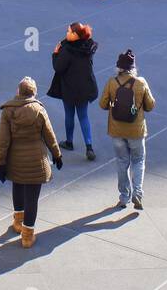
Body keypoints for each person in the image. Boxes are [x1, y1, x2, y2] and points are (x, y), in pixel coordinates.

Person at [0, 76, 62, 248]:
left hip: (15, 158)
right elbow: (49, 135)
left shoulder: (8, 110)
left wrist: (1, 162)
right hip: (36, 159)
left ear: (18, 91)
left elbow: (3, 140)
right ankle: (27, 236)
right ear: (33, 93)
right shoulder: (39, 110)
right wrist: (57, 154)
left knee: (17, 186)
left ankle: (18, 221)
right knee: (32, 198)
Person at [99, 49, 156, 210]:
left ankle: (124, 197)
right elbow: (150, 105)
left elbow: (102, 104)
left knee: (122, 162)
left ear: (118, 68)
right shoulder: (141, 83)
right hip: (136, 130)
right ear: (133, 68)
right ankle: (137, 194)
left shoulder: (112, 82)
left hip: (116, 130)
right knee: (138, 161)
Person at [47, 21, 99, 160]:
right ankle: (89, 146)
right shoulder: (88, 47)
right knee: (83, 116)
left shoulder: (67, 49)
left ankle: (69, 141)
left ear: (75, 35)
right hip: (85, 87)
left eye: (69, 31)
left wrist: (55, 54)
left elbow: (58, 67)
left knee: (69, 115)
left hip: (69, 88)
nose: (67, 33)